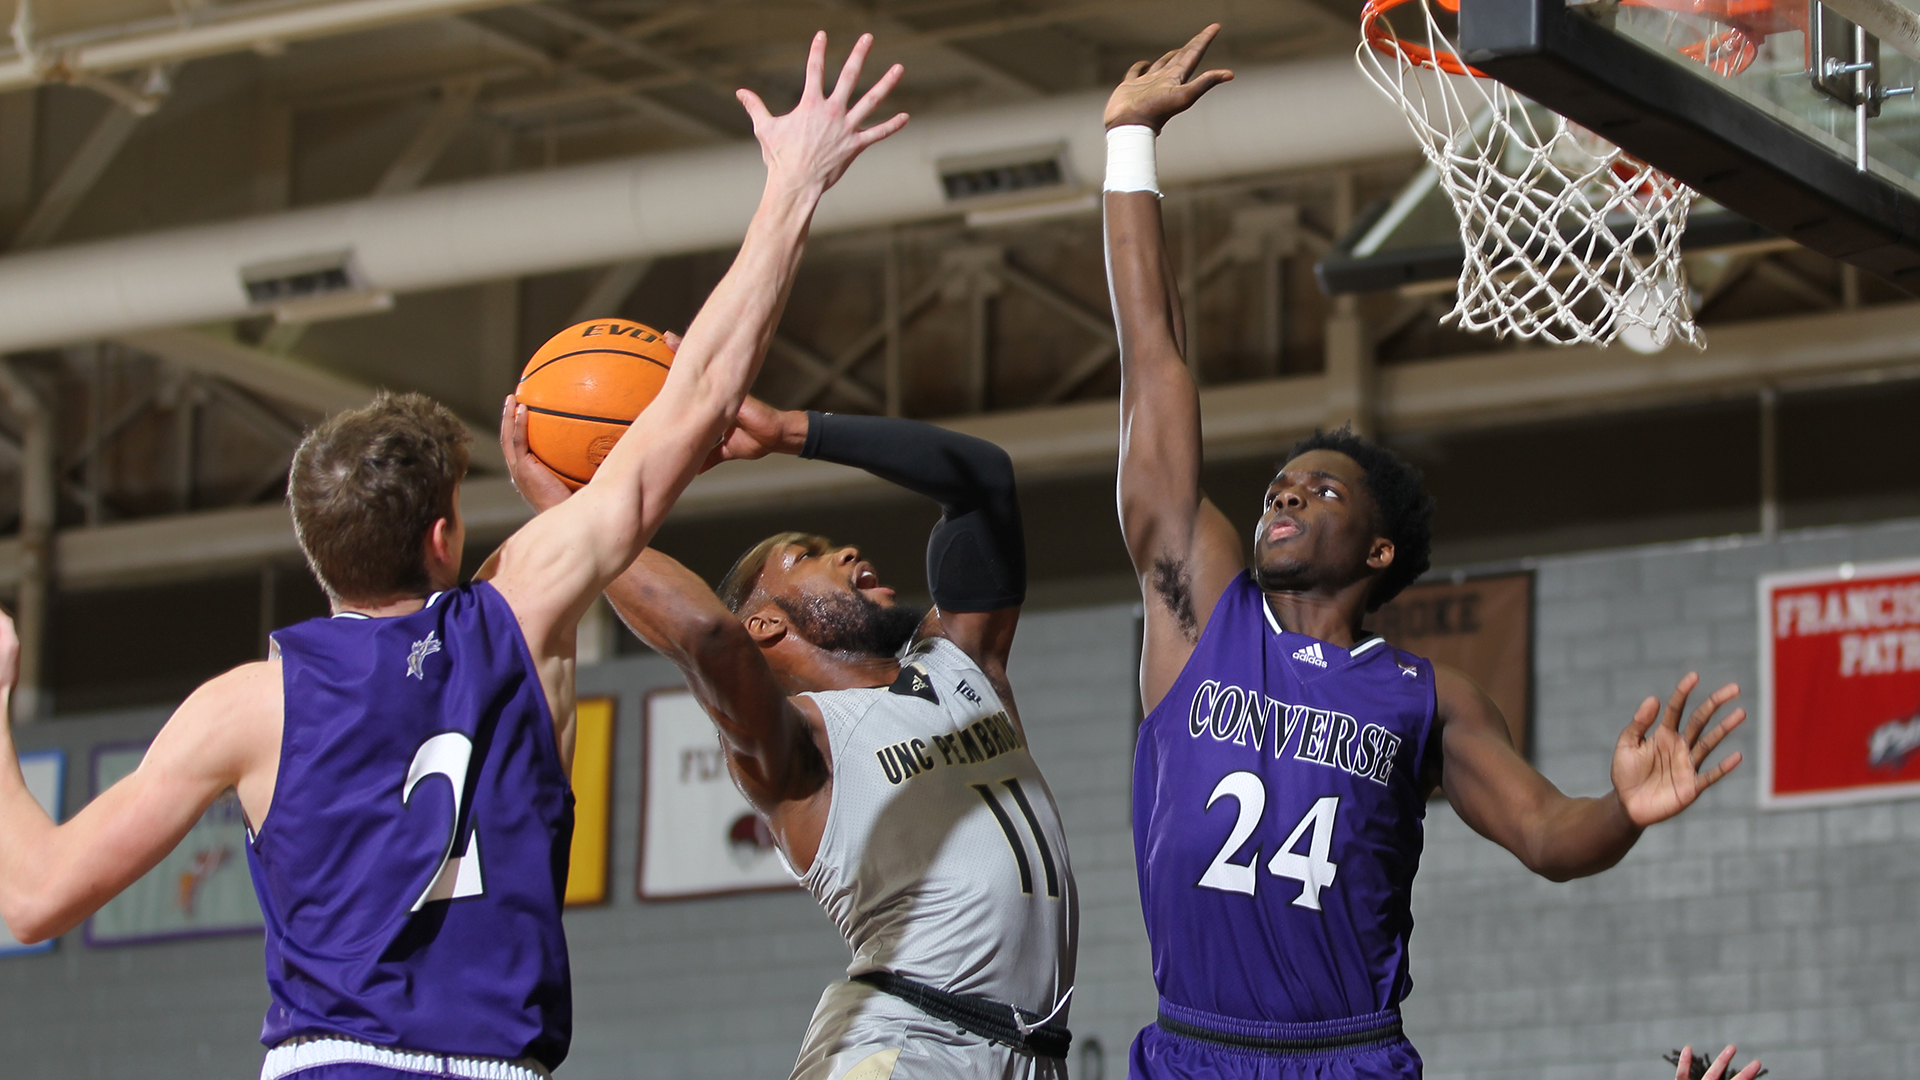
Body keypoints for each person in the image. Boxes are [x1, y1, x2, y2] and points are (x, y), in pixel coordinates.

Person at [0, 31, 905, 1080]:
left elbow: (32, 896)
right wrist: (792, 183)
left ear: (316, 551)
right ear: (445, 535)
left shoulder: (245, 706)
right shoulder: (516, 619)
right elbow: (697, 394)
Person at [1101, 25, 1748, 1080]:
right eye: (1281, 482)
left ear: (1381, 547)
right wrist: (1129, 149)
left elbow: (1546, 834)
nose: (1286, 491)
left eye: (1324, 487)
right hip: (1198, 1049)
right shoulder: (1197, 613)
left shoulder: (1426, 700)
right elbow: (1154, 369)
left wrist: (1623, 811)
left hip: (1349, 1054)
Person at [500, 393, 1076, 1080]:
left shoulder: (962, 660)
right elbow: (709, 637)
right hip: (904, 1043)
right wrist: (575, 520)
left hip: (1029, 1057)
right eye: (808, 557)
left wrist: (792, 432)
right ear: (767, 628)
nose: (848, 551)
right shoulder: (802, 745)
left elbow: (983, 478)